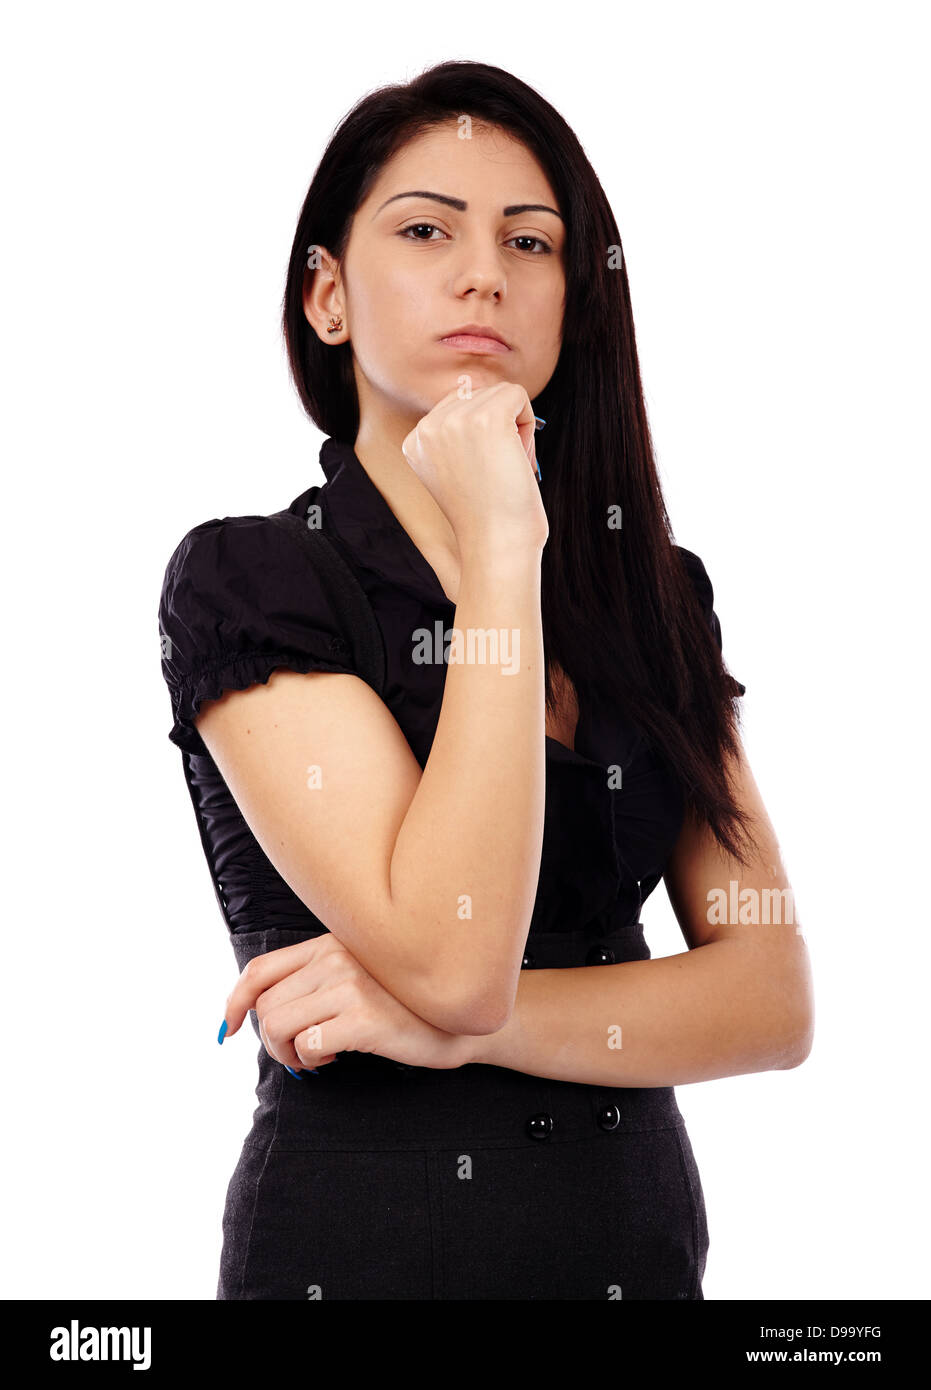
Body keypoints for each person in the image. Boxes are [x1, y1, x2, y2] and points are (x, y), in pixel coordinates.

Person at [157, 60, 813, 1301]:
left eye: (530, 240)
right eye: (424, 230)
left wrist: (457, 1027)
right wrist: (502, 549)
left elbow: (771, 993)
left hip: (635, 1254)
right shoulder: (250, 581)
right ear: (328, 297)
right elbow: (458, 954)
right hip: (361, 1258)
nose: (483, 272)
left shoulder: (651, 593)